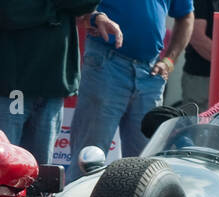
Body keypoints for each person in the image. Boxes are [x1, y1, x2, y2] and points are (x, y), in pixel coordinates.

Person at [69, 1, 195, 179]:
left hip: (151, 71)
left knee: (144, 164)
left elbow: (186, 16)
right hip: (107, 60)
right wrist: (94, 17)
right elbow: (79, 9)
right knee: (89, 157)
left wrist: (169, 60)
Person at [0, 1, 99, 164]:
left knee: (39, 180)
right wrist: (60, 7)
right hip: (8, 88)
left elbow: (85, 3)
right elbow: (8, 11)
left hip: (52, 86)